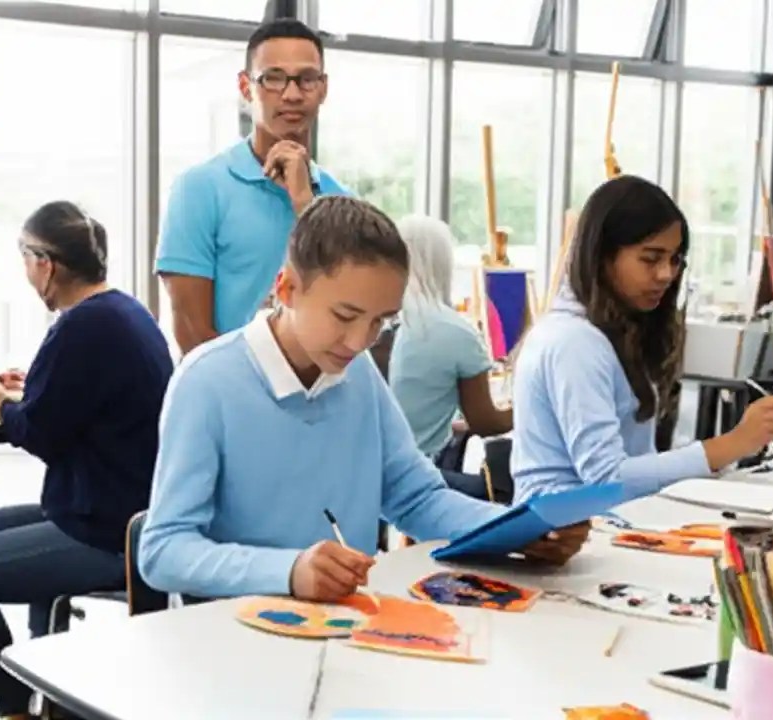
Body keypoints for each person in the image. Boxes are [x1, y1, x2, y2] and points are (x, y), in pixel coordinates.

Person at [139, 196, 587, 603]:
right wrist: (289, 570)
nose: (359, 341)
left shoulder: (357, 372)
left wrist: (518, 530)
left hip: (346, 624)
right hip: (232, 639)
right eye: (346, 316)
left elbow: (416, 500)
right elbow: (163, 551)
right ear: (287, 288)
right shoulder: (207, 382)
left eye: (381, 322)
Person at [0, 201, 173, 719]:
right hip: (132, 511)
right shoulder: (124, 312)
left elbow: (32, 432)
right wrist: (21, 387)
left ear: (46, 264)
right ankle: (48, 673)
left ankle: (14, 706)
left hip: (108, 532)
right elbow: (68, 405)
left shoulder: (81, 328)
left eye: (23, 257)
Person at [510, 175, 773, 504]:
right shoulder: (574, 341)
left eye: (675, 259)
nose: (666, 274)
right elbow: (607, 478)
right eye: (650, 259)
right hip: (563, 535)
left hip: (603, 526)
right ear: (602, 256)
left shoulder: (612, 331)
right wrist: (732, 443)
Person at [156, 18, 348, 355]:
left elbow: (350, 308)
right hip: (229, 398)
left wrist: (306, 204)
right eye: (273, 79)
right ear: (246, 88)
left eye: (306, 79)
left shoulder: (341, 201)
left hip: (320, 396)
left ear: (323, 88)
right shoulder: (199, 188)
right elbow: (192, 333)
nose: (291, 94)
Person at [388, 215, 512, 498]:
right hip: (415, 477)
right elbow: (487, 423)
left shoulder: (382, 320)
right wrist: (527, 408)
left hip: (374, 471)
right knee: (506, 490)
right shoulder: (453, 330)